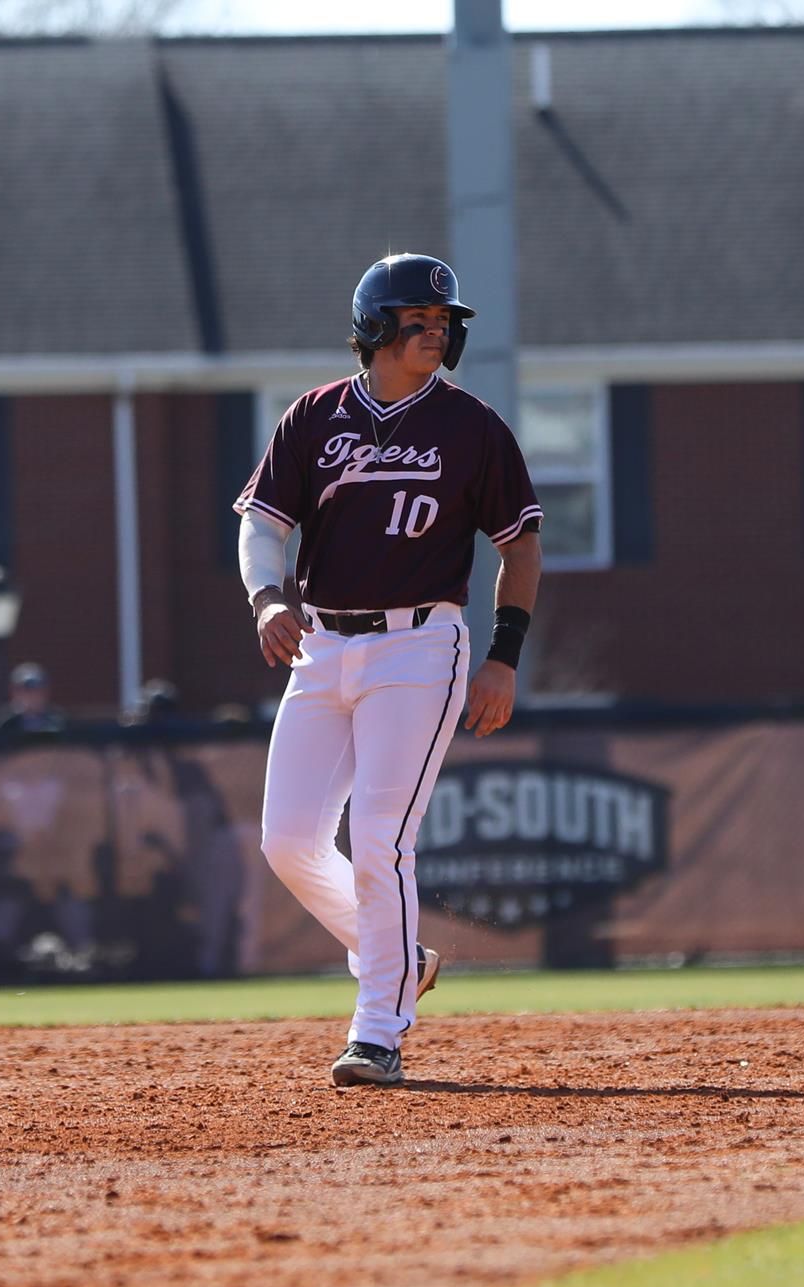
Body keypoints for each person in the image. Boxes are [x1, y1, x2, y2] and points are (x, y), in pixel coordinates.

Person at [234, 253, 543, 1088]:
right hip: (323, 644)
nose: (436, 331)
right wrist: (267, 597)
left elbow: (519, 547)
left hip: (419, 645)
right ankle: (400, 956)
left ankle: (379, 1029)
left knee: (379, 838)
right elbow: (262, 526)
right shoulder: (314, 417)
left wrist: (503, 657)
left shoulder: (472, 427)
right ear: (375, 328)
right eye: (418, 319)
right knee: (289, 839)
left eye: (445, 323)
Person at [0, 661, 66, 735]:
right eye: (25, 690)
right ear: (13, 692)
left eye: (36, 690)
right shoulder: (2, 722)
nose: (32, 696)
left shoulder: (59, 721)